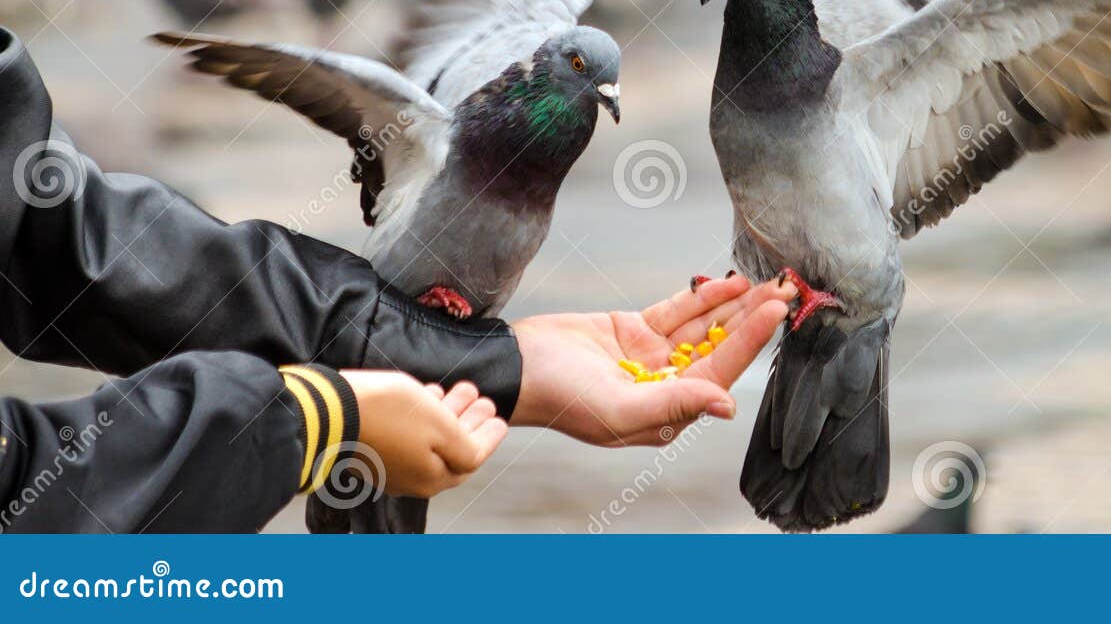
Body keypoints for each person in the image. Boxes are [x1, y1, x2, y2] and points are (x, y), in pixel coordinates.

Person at [0, 27, 794, 531]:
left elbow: (75, 245)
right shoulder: (442, 138)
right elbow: (44, 486)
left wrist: (492, 363)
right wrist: (325, 415)